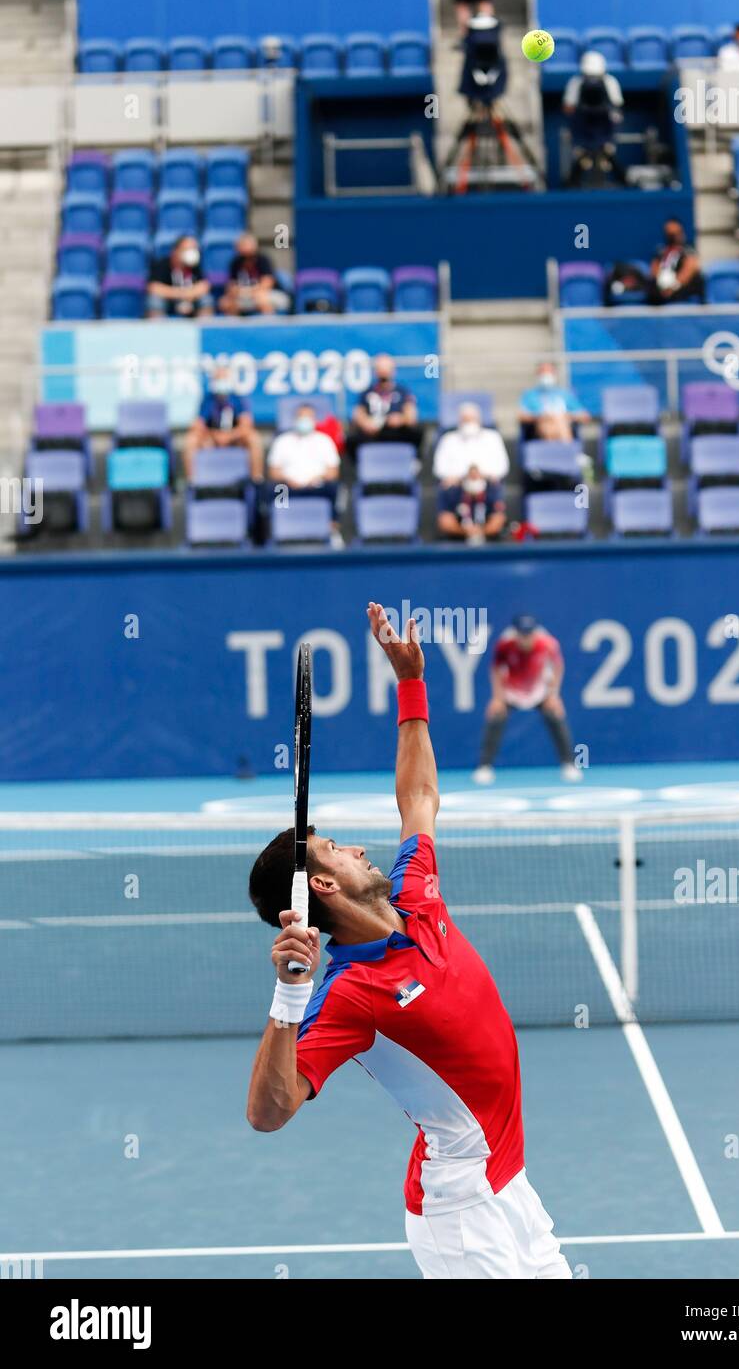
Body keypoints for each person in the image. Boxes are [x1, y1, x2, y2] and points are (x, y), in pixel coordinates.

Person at [246, 603, 572, 1281]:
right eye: (335, 850)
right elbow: (269, 1114)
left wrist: (412, 685)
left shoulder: (414, 891)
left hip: (509, 1181)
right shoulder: (347, 997)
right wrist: (287, 996)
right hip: (461, 1209)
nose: (358, 848)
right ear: (324, 891)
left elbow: (419, 795)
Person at [474, 615, 581, 785]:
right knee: (495, 716)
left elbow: (558, 667)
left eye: (529, 634)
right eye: (522, 634)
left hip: (539, 691)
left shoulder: (548, 644)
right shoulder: (504, 645)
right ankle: (484, 767)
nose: (526, 639)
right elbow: (495, 670)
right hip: (512, 691)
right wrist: (497, 698)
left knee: (555, 715)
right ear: (516, 633)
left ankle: (569, 764)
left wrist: (554, 696)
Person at [433, 402, 509, 542]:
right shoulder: (448, 439)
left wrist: (480, 475)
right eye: (465, 419)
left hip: (487, 483)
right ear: (459, 421)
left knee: (497, 491)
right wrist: (463, 476)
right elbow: (439, 469)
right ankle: (460, 533)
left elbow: (502, 467)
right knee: (445, 489)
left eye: (472, 419)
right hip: (457, 485)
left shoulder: (492, 437)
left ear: (479, 420)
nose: (469, 423)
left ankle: (485, 533)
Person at [267, 403, 342, 542]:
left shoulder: (324, 441)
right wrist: (289, 480)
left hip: (316, 487)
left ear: (314, 420)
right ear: (295, 419)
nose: (304, 420)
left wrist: (316, 478)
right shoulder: (282, 441)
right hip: (289, 487)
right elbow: (273, 472)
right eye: (301, 417)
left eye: (308, 417)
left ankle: (332, 529)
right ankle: (278, 525)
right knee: (276, 489)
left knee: (333, 488)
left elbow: (333, 472)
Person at [184, 364, 263, 481]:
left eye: (224, 379)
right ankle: (192, 483)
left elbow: (246, 425)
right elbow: (197, 425)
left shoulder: (237, 399)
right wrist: (214, 435)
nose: (221, 382)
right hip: (212, 439)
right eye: (218, 379)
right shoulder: (208, 400)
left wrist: (229, 436)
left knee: (254, 438)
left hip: (235, 439)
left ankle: (257, 481)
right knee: (191, 440)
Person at [562, 50, 624, 187]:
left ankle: (625, 184)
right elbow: (568, 109)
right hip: (583, 130)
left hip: (604, 130)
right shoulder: (575, 83)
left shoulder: (610, 82)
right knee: (580, 159)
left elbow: (617, 109)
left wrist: (611, 121)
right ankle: (570, 188)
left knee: (608, 155)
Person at [349, 354, 422, 452]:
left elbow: (411, 415)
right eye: (381, 370)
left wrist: (401, 419)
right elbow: (358, 413)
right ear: (376, 372)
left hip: (395, 432)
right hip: (374, 433)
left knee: (417, 433)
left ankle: (414, 461)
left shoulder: (402, 391)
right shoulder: (367, 392)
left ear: (393, 371)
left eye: (386, 371)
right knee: (351, 440)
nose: (383, 374)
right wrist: (366, 423)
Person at [218, 232, 290, 317]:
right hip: (245, 296)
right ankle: (235, 328)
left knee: (261, 299)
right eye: (242, 245)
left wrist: (247, 291)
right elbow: (231, 287)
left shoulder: (263, 260)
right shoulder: (235, 263)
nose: (245, 248)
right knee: (225, 303)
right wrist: (242, 292)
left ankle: (268, 325)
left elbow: (266, 284)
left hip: (271, 294)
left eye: (247, 245)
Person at [147, 235, 213, 319]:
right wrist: (181, 293)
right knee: (154, 301)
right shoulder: (162, 264)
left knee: (206, 300)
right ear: (176, 251)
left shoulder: (195, 266)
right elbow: (154, 287)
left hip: (190, 301)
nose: (192, 252)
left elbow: (204, 286)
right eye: (188, 249)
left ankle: (204, 326)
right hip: (169, 302)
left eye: (194, 249)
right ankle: (158, 329)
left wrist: (190, 295)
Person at [519, 363, 589, 441]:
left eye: (549, 372)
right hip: (539, 429)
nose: (546, 375)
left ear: (555, 374)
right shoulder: (530, 395)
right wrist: (542, 417)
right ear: (537, 374)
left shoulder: (564, 394)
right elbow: (521, 417)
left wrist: (566, 416)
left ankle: (559, 447)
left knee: (559, 419)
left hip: (563, 424)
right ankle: (568, 449)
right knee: (551, 421)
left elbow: (584, 416)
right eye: (543, 372)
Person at [648, 219, 703, 305]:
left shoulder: (688, 251)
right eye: (670, 235)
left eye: (676, 233)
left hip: (680, 289)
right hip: (661, 290)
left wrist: (673, 287)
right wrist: (661, 287)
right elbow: (654, 270)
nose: (673, 237)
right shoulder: (661, 251)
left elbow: (688, 270)